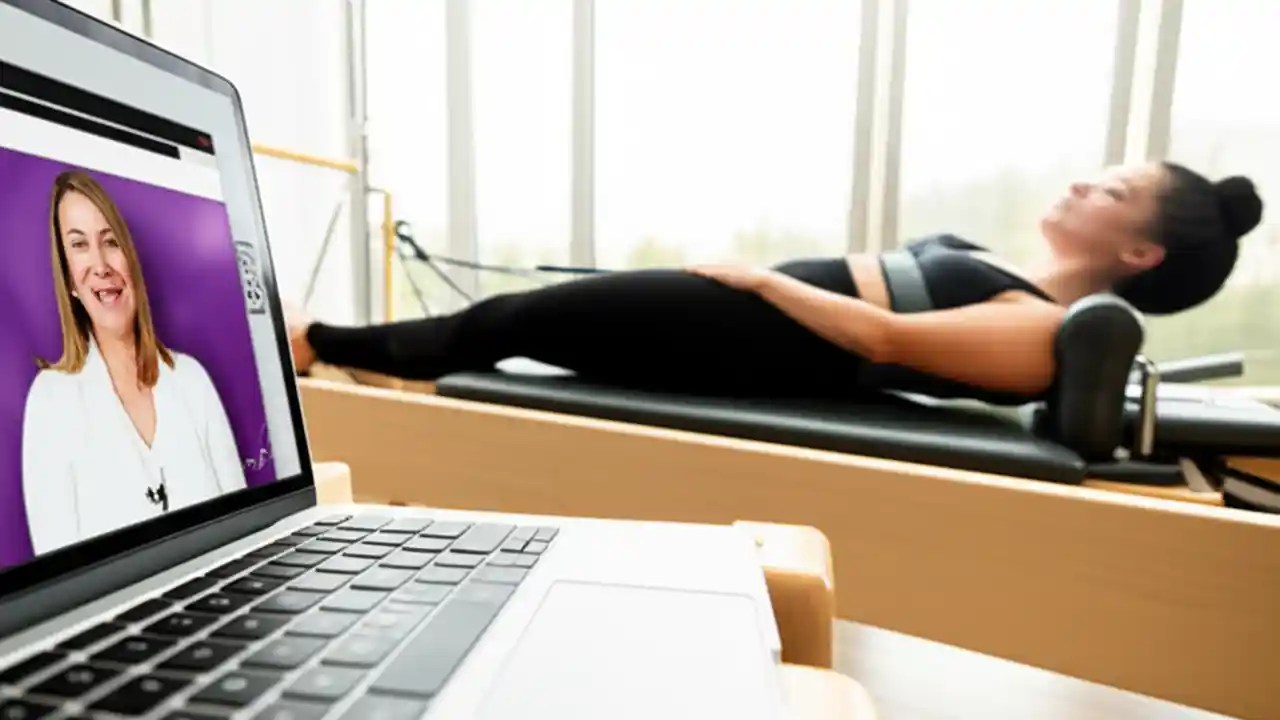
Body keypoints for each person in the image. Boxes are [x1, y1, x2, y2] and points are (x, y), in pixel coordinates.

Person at [287, 161, 1264, 405]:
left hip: (761, 337)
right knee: (517, 318)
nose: (1087, 181)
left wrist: (759, 280)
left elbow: (882, 342)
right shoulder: (1019, 284)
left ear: (1139, 253)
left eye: (1117, 189)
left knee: (511, 321)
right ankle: (326, 348)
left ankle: (317, 346)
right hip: (748, 319)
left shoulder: (1044, 329)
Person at [22, 170, 247, 555]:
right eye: (79, 245)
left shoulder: (192, 379)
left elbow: (246, 537)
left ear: (130, 257)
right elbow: (61, 577)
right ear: (70, 281)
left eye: (109, 242)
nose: (99, 264)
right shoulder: (50, 400)